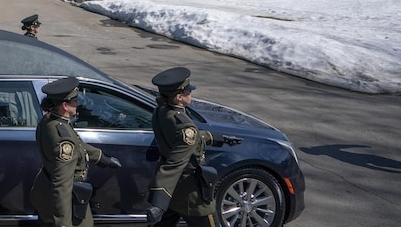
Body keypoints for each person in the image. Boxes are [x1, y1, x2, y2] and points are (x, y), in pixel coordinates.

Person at [145, 67, 242, 227]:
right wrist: (158, 203)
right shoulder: (185, 126)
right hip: (190, 191)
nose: (191, 93)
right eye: (188, 91)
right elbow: (174, 164)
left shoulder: (161, 111)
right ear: (179, 97)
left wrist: (217, 138)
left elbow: (181, 140)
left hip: (174, 191)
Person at [30, 77, 121, 227]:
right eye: (74, 101)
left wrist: (99, 157)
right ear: (65, 105)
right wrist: (63, 223)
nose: (77, 103)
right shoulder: (63, 138)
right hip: (67, 200)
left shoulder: (50, 121)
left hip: (45, 189)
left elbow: (76, 144)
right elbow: (62, 184)